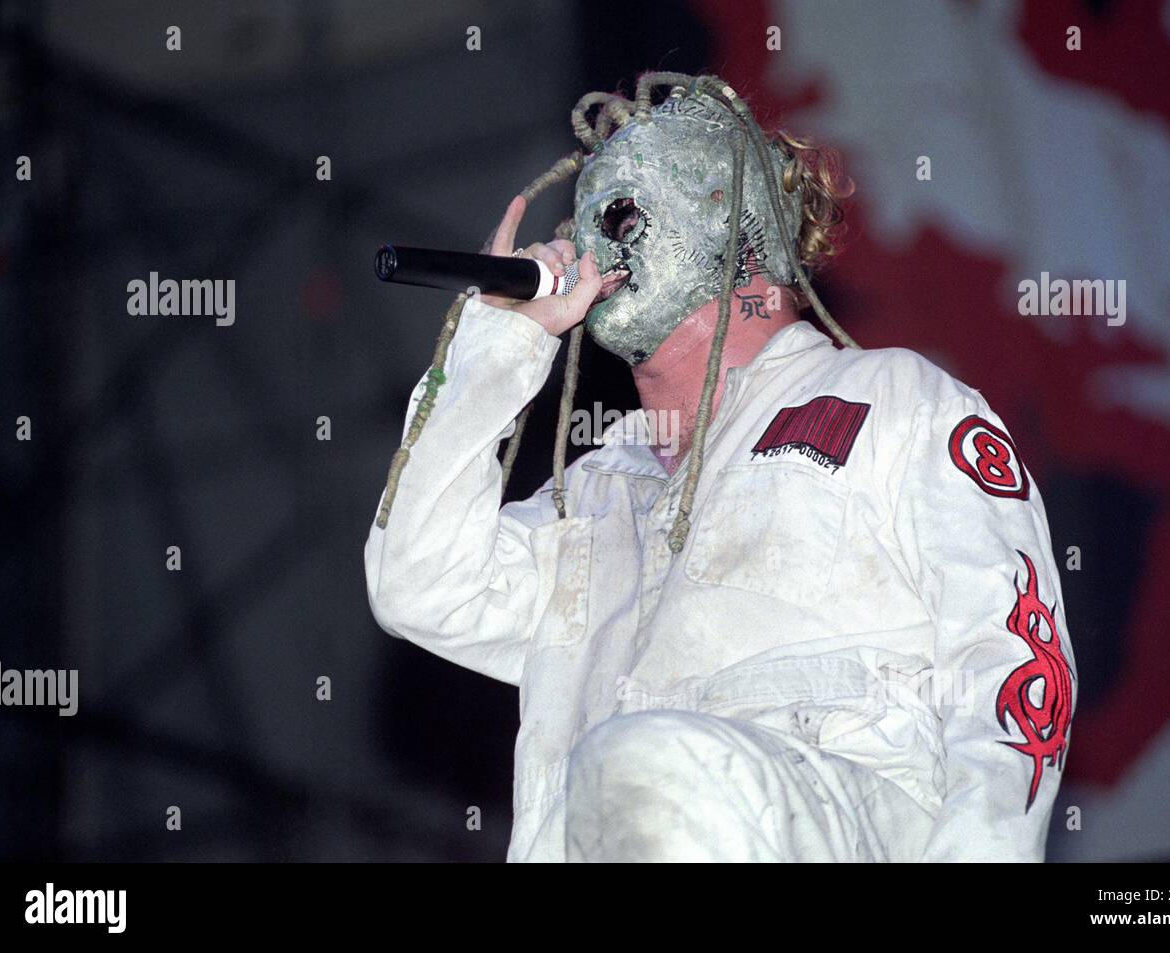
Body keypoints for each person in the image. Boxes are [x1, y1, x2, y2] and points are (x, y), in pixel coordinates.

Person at [365, 72, 1076, 862]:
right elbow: (417, 582)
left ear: (735, 222)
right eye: (588, 220)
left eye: (624, 213)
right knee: (621, 775)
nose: (599, 244)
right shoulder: (592, 491)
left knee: (642, 765)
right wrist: (494, 350)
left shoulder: (894, 400)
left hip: (853, 826)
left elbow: (1010, 661)